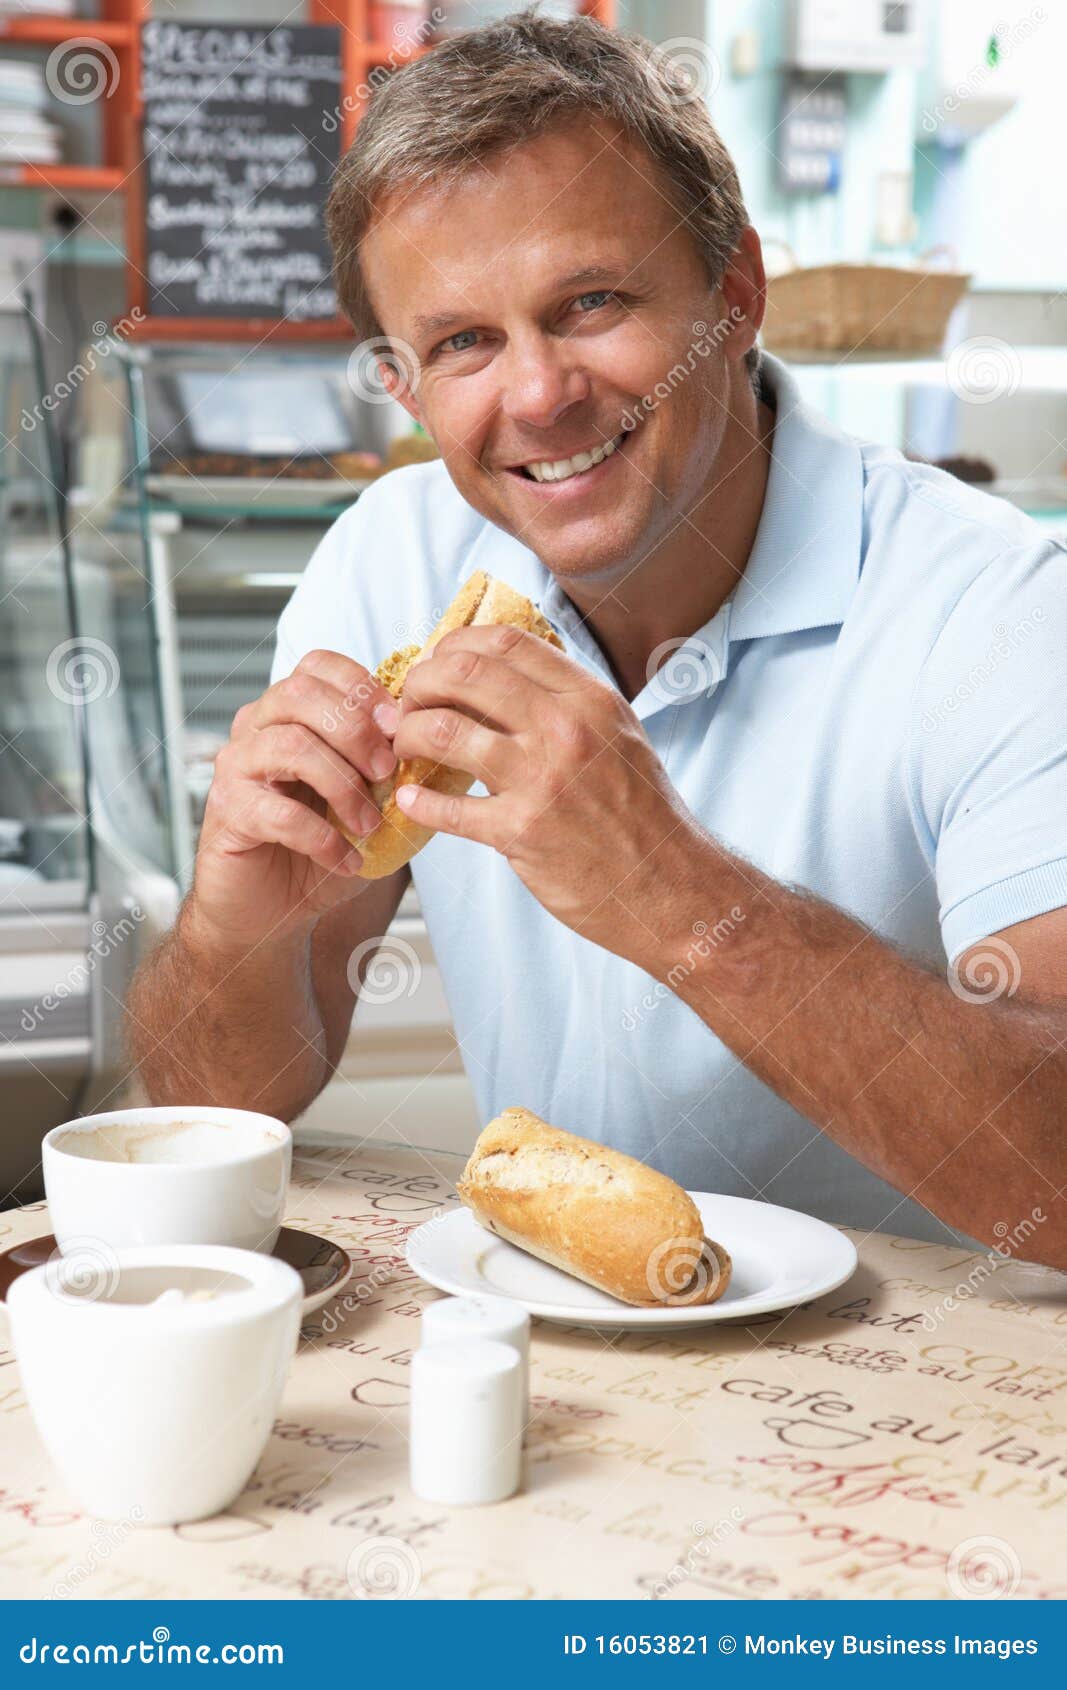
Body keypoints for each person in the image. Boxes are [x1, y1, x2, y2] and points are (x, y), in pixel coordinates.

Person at [127, 10, 1067, 1263]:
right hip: (547, 1344)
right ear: (403, 387)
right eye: (462, 342)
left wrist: (672, 893)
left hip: (931, 1371)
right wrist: (232, 931)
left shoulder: (996, 611)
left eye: (590, 303)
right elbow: (213, 1106)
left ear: (734, 295)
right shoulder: (388, 560)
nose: (535, 393)